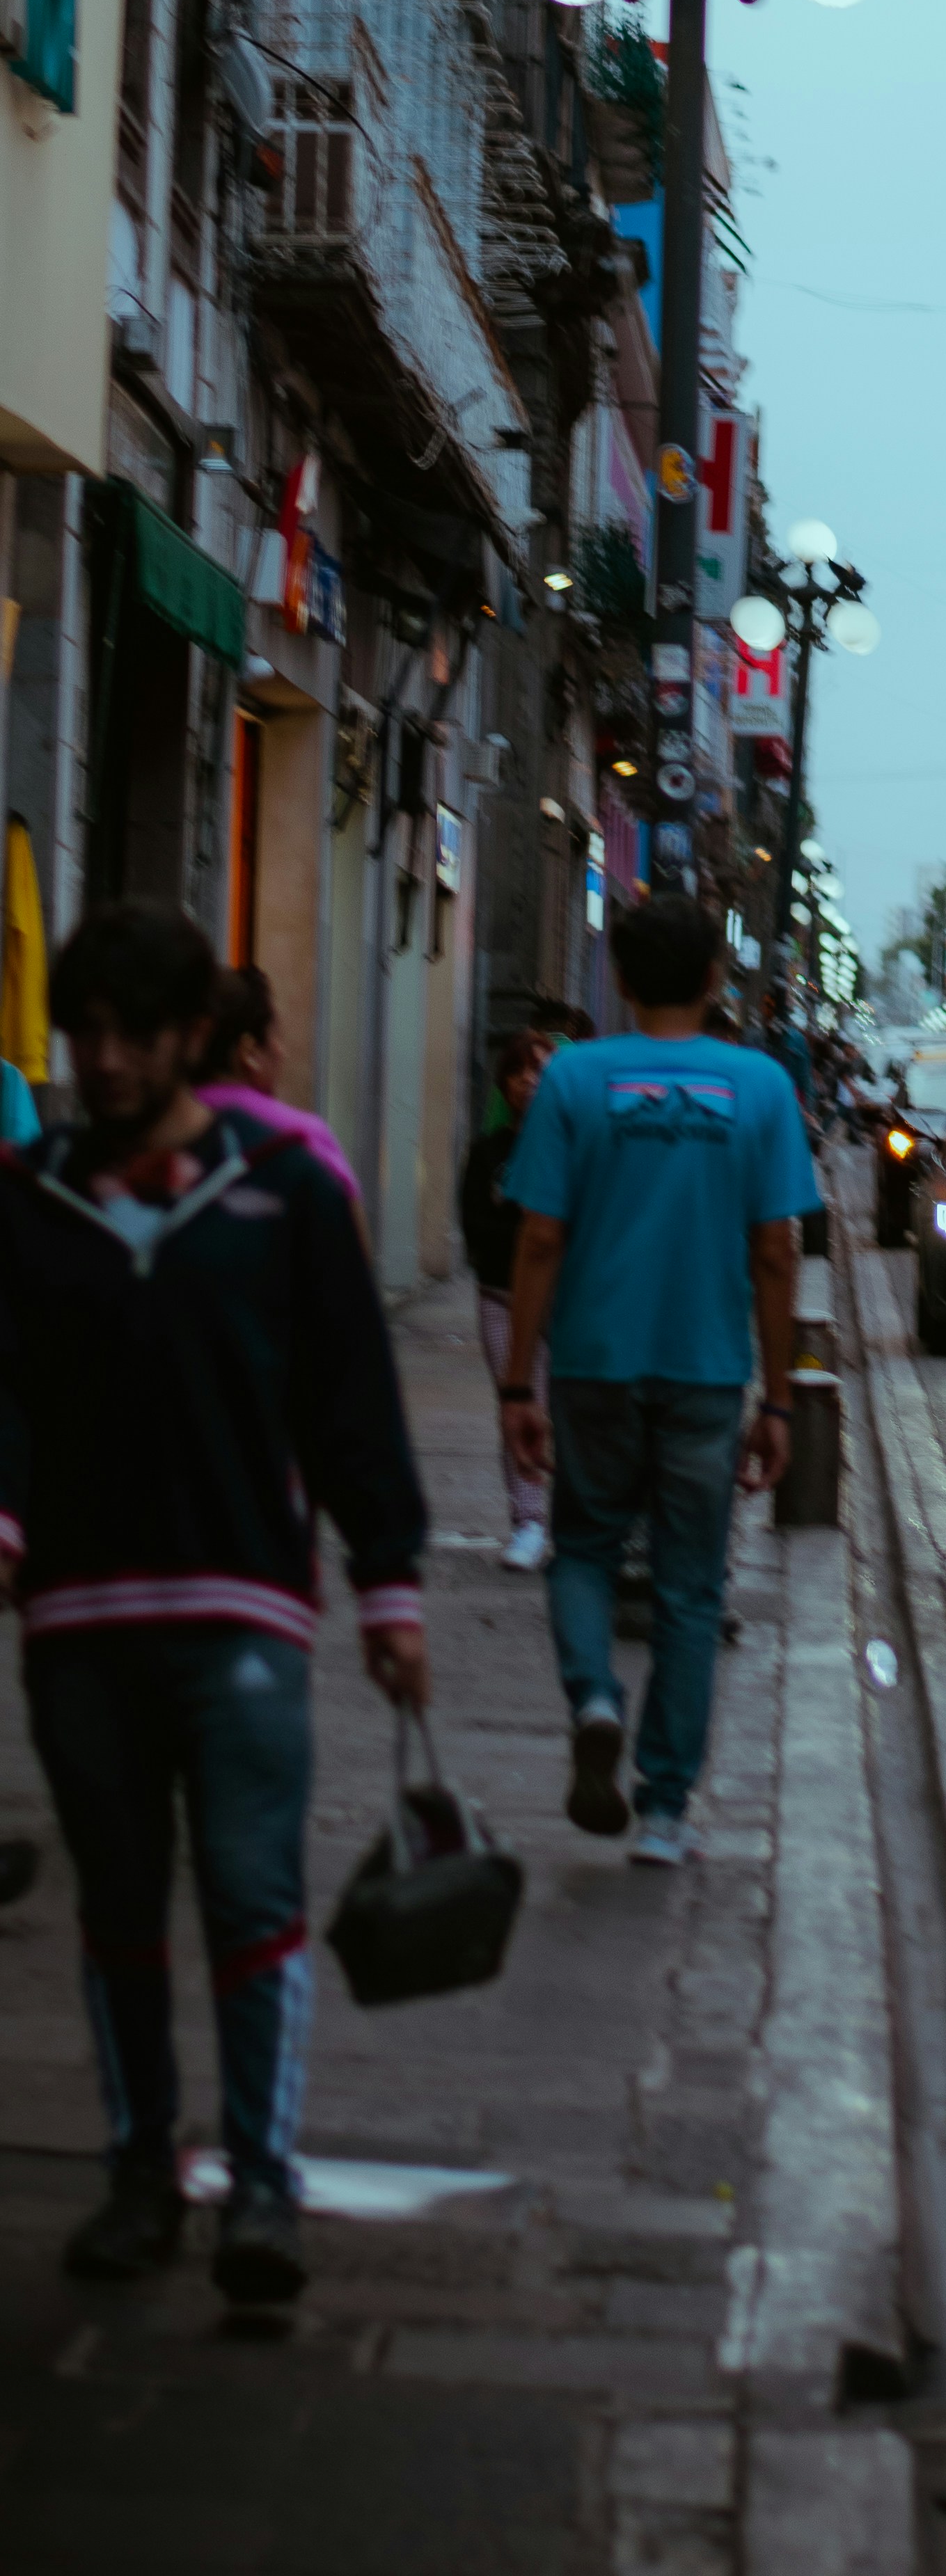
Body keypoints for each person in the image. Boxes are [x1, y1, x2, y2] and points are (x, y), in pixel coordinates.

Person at [0, 902, 428, 2308]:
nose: (105, 1060)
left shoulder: (280, 1190)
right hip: (78, 1617)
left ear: (194, 1038)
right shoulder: (31, 1193)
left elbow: (345, 1395)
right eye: (85, 1036)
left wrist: (390, 1581)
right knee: (120, 1906)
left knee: (250, 1895)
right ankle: (139, 2173)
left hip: (243, 1605)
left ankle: (260, 2185)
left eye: (133, 1035)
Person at [500, 891, 819, 1870]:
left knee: (585, 1551)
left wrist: (518, 1382)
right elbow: (777, 1251)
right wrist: (778, 1397)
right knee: (689, 1586)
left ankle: (594, 1694)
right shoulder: (760, 1088)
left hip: (594, 1362)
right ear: (719, 980)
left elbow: (541, 1236)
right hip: (707, 1371)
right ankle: (667, 1810)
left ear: (624, 981)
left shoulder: (572, 1079)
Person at [457, 1032, 559, 1572]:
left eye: (539, 1071)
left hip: (565, 1303)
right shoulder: (488, 1152)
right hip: (501, 1297)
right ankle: (528, 1521)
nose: (528, 1082)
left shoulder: (572, 1151)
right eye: (518, 1072)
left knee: (569, 1410)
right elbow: (475, 1226)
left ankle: (570, 1519)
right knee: (519, 1404)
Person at [198, 962, 365, 1220]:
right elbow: (350, 1242)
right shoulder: (301, 1136)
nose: (281, 1052)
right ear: (249, 1053)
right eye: (276, 1036)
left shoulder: (161, 1127)